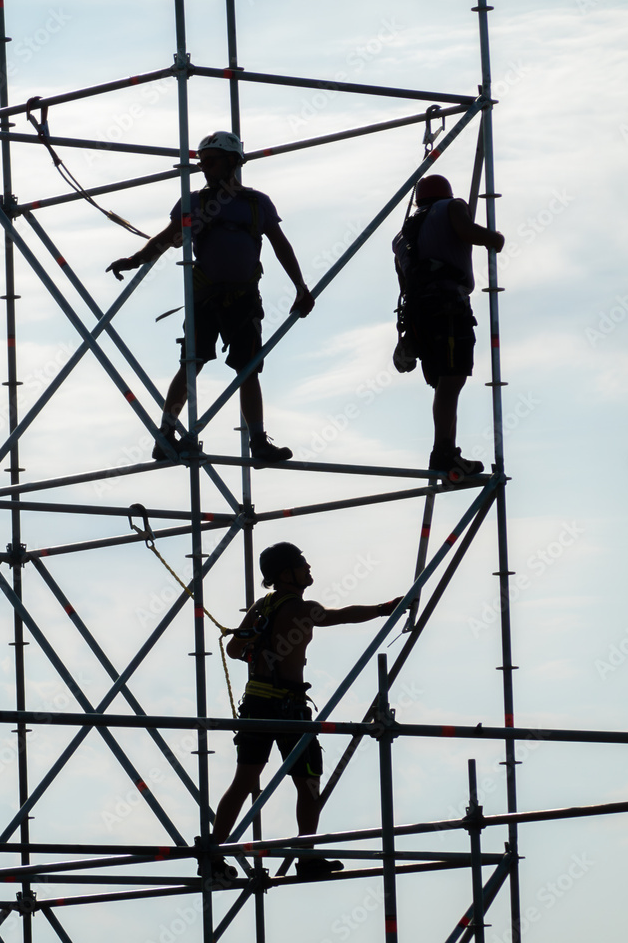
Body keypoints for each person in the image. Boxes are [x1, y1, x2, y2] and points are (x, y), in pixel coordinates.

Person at [106, 131, 314, 463]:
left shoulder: (255, 203)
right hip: (205, 298)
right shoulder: (194, 203)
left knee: (248, 369)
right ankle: (165, 436)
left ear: (231, 161)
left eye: (211, 162)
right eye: (202, 163)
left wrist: (301, 287)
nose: (204, 168)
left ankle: (258, 442)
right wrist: (135, 260)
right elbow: (167, 237)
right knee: (191, 364)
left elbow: (280, 245)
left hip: (244, 298)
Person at [205, 542, 401, 883]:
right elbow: (342, 616)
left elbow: (234, 649)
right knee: (308, 783)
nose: (309, 569)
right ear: (286, 574)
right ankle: (307, 855)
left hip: (256, 704)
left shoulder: (262, 606)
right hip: (287, 707)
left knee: (244, 782)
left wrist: (259, 643)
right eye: (302, 566)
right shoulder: (302, 609)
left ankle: (213, 855)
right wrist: (385, 609)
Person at [392, 174, 505, 480]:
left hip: (420, 315)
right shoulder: (452, 207)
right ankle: (443, 451)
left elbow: (404, 283)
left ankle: (447, 451)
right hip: (447, 307)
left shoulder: (402, 237)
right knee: (452, 380)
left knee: (445, 383)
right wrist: (494, 239)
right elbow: (467, 231)